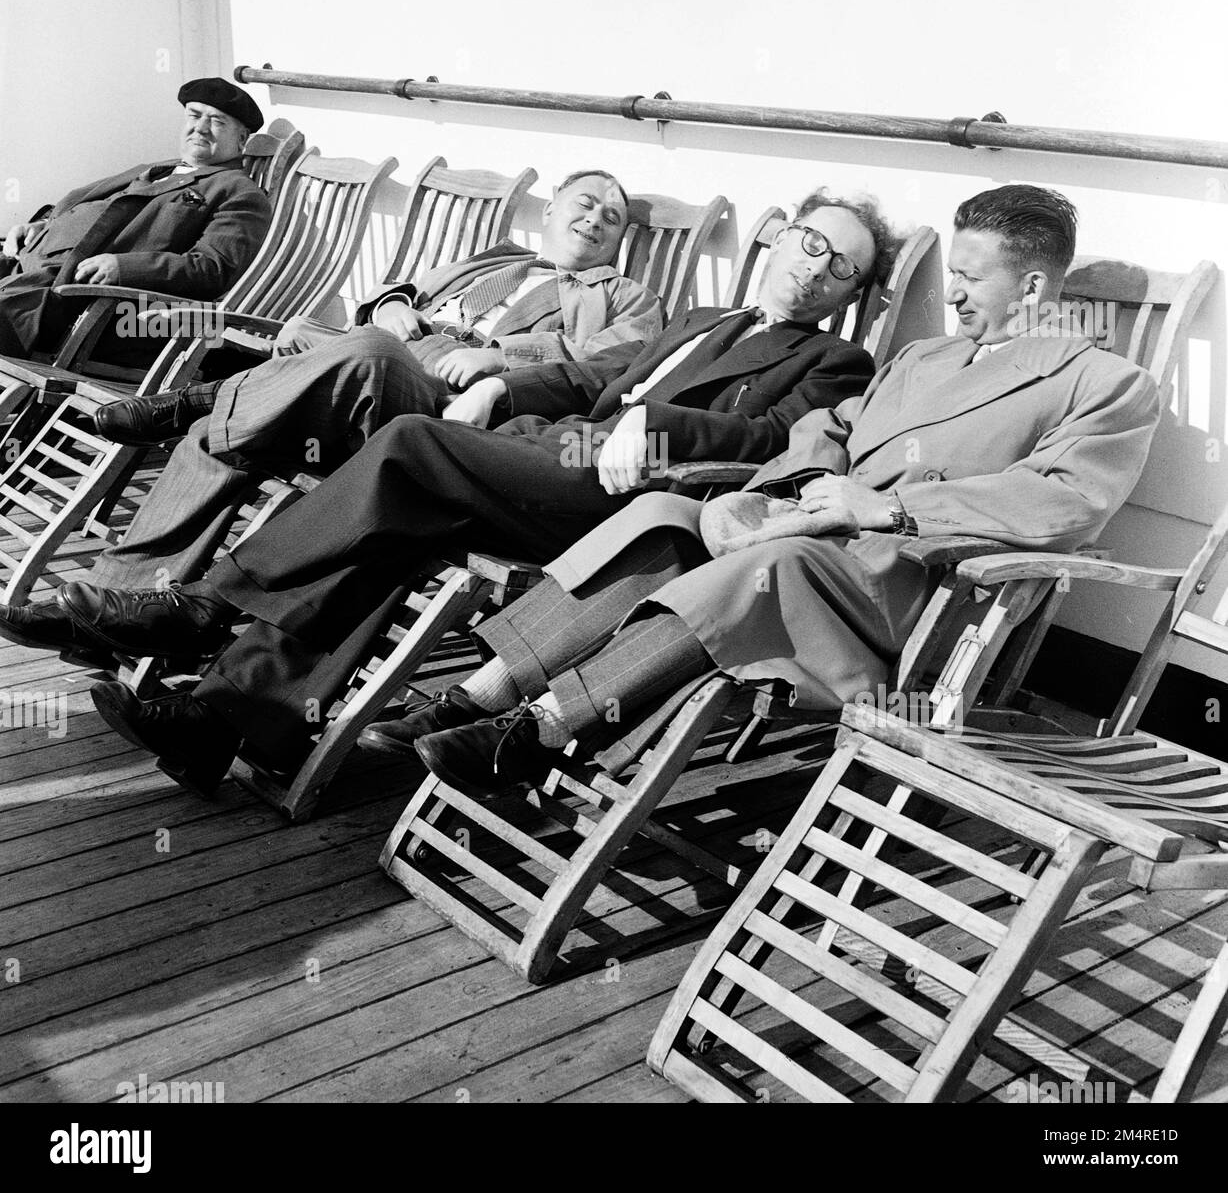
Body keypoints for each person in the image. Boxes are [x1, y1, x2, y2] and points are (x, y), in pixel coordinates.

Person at [0, 187, 898, 795]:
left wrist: (658, 424)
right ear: (780, 237)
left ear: (851, 292)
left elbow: (772, 443)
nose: (815, 268)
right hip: (544, 451)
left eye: (842, 268)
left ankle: (199, 606)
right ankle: (223, 720)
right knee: (395, 531)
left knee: (407, 446)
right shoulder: (708, 317)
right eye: (810, 242)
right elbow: (592, 377)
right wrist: (507, 383)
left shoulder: (834, 359)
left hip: (622, 497)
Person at [354, 183, 1161, 799]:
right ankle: (473, 697)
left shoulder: (1106, 386)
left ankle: (535, 736)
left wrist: (886, 507)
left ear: (1029, 290)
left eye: (970, 280)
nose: (951, 295)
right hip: (815, 529)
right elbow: (833, 428)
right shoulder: (926, 360)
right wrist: (793, 489)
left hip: (911, 588)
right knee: (667, 516)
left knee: (767, 570)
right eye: (952, 274)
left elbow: (1064, 502)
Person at [79, 169, 663, 588]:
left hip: (449, 412)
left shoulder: (628, 295)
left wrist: (503, 357)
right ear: (551, 208)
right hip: (365, 371)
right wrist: (388, 307)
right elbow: (403, 291)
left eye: (611, 218)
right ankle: (118, 596)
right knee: (235, 429)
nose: (595, 219)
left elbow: (610, 365)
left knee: (357, 360)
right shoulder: (497, 258)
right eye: (585, 203)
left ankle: (196, 398)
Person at [0, 78, 272, 360]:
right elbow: (88, 205)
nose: (200, 128)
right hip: (27, 272)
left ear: (241, 139)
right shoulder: (156, 169)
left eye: (216, 121)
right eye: (193, 115)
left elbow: (211, 269)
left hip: (100, 310)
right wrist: (41, 227)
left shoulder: (240, 193)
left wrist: (123, 268)